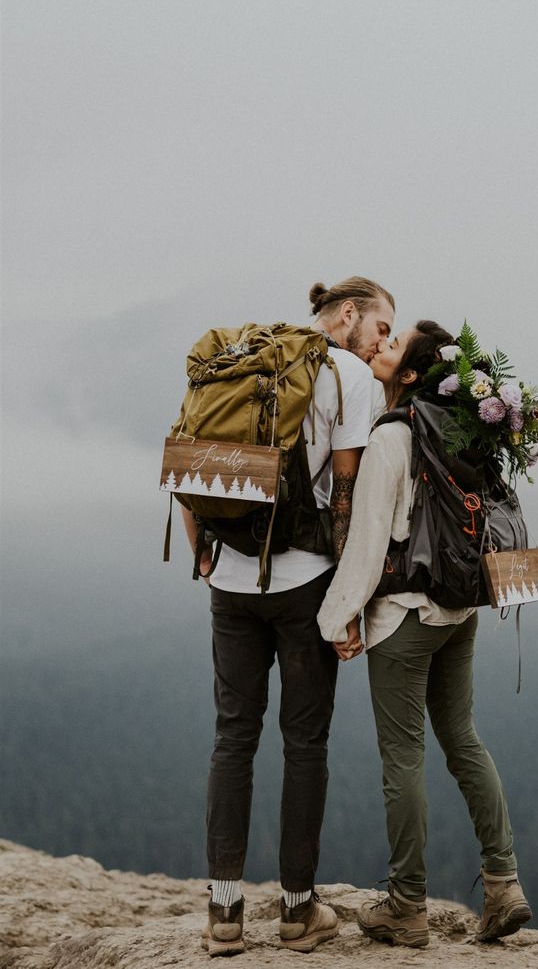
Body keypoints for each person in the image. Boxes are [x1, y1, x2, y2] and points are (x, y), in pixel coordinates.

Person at [179, 277, 395, 956]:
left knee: (231, 738)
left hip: (231, 582)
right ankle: (299, 913)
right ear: (350, 313)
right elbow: (347, 495)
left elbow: (188, 464)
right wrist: (348, 600)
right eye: (382, 325)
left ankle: (223, 915)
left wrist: (207, 560)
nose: (383, 339)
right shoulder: (349, 374)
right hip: (305, 584)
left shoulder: (236, 360)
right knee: (305, 745)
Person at [317, 320, 532, 949]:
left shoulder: (396, 433)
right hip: (458, 611)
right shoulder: (467, 429)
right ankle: (504, 883)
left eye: (392, 345)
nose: (379, 346)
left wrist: (337, 617)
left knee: (403, 759)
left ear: (409, 375)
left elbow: (367, 539)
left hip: (405, 617)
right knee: (462, 738)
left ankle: (407, 906)